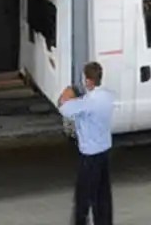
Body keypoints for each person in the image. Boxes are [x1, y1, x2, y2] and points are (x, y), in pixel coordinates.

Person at [58, 61, 115, 225]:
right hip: (104, 150)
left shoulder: (87, 103)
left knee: (83, 196)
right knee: (102, 195)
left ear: (89, 81)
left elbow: (64, 108)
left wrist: (66, 95)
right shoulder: (107, 96)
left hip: (90, 156)